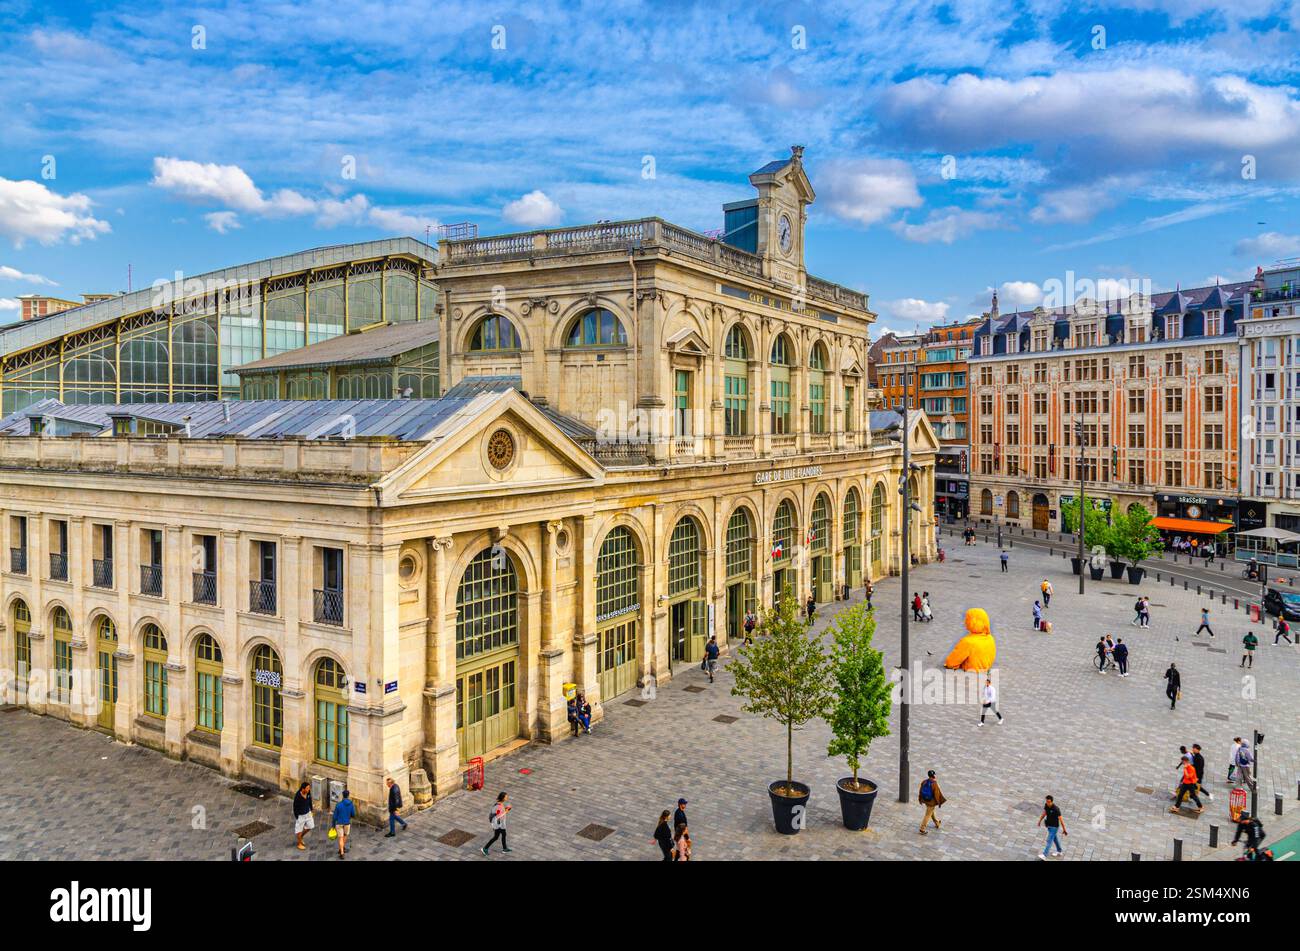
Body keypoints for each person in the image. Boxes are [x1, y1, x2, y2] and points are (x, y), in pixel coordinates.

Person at [330, 788, 356, 859]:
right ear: (348, 796)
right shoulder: (351, 804)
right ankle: (342, 848)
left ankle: (341, 852)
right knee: (345, 836)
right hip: (347, 823)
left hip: (339, 823)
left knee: (340, 838)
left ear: (343, 796)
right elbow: (353, 814)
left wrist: (333, 826)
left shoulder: (338, 805)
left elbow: (334, 816)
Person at [917, 769, 945, 835]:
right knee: (927, 815)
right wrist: (939, 803)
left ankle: (937, 823)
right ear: (933, 776)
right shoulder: (934, 784)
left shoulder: (924, 782)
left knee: (931, 812)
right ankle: (922, 828)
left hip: (926, 801)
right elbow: (937, 795)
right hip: (931, 802)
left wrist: (920, 799)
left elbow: (920, 791)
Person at [292, 781, 314, 851]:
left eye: (309, 788)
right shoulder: (298, 796)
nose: (308, 789)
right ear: (303, 789)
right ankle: (299, 844)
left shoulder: (308, 793)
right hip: (301, 815)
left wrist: (311, 810)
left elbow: (310, 801)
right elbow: (295, 807)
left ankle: (301, 837)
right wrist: (297, 816)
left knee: (311, 826)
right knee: (299, 830)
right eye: (307, 788)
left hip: (308, 813)